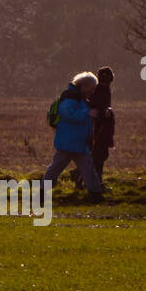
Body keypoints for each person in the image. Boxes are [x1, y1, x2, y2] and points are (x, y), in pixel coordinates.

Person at [43, 71, 103, 202]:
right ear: (84, 86)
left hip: (77, 143)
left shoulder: (78, 98)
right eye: (91, 88)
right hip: (69, 142)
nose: (93, 91)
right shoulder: (70, 97)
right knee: (57, 169)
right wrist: (87, 113)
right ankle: (95, 194)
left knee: (86, 169)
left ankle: (96, 193)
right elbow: (68, 114)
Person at [88, 66, 115, 184]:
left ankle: (88, 178)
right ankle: (93, 180)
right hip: (99, 130)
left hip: (101, 129)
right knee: (99, 157)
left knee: (99, 157)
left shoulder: (101, 89)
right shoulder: (100, 90)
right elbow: (96, 110)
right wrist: (107, 112)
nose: (105, 81)